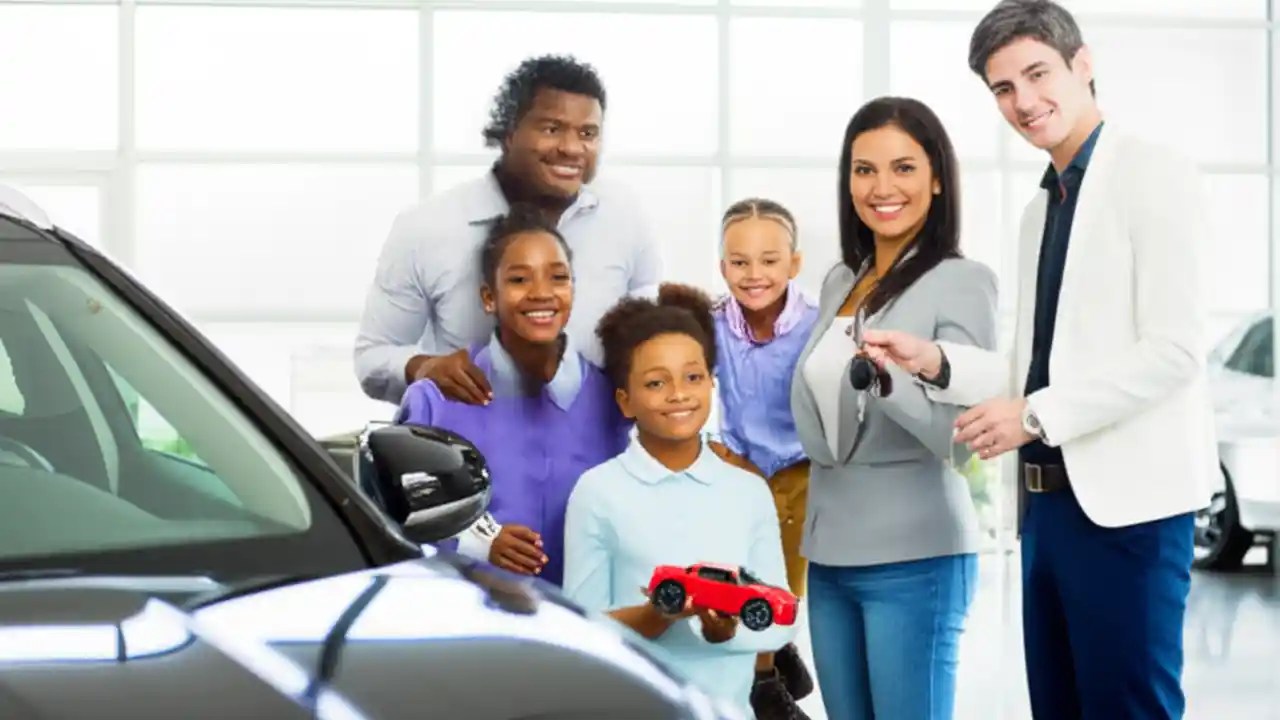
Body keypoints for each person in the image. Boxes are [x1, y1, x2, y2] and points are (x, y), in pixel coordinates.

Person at [860, 2, 1217, 718]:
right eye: (1002, 89)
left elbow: (1174, 351)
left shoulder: (1152, 174)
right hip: (1047, 510)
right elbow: (1035, 366)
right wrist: (935, 361)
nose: (1023, 102)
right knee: (1056, 706)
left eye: (1036, 74)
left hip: (1130, 511)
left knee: (1127, 707)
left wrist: (1034, 414)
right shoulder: (1041, 208)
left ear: (1083, 64)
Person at [789, 96, 998, 720]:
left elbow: (961, 438)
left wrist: (889, 379)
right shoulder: (838, 281)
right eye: (864, 169)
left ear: (937, 178)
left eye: (903, 168)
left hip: (915, 555)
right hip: (829, 555)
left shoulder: (963, 281)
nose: (881, 188)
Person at [355, 54, 661, 405]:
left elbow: (651, 340)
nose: (572, 148)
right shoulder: (426, 228)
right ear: (509, 132)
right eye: (551, 129)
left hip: (596, 447)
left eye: (587, 133)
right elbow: (373, 357)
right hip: (472, 445)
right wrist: (424, 367)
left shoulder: (625, 216)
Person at [562, 283, 797, 717]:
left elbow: (781, 624)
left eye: (693, 377)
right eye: (656, 382)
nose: (678, 394)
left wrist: (722, 633)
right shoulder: (598, 492)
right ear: (625, 401)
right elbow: (582, 627)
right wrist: (656, 617)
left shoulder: (747, 491)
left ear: (712, 383)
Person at [395, 203, 630, 587]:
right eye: (520, 280)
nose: (542, 293)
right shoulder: (434, 403)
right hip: (475, 627)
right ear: (490, 297)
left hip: (588, 627)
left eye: (558, 277)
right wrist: (477, 542)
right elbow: (395, 521)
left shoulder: (616, 401)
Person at [708, 198, 817, 717]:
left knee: (785, 577)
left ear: (794, 264)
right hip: (739, 470)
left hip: (803, 471)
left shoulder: (817, 326)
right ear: (723, 266)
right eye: (739, 262)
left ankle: (773, 660)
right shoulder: (709, 325)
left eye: (769, 261)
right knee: (743, 574)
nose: (754, 275)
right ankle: (763, 674)